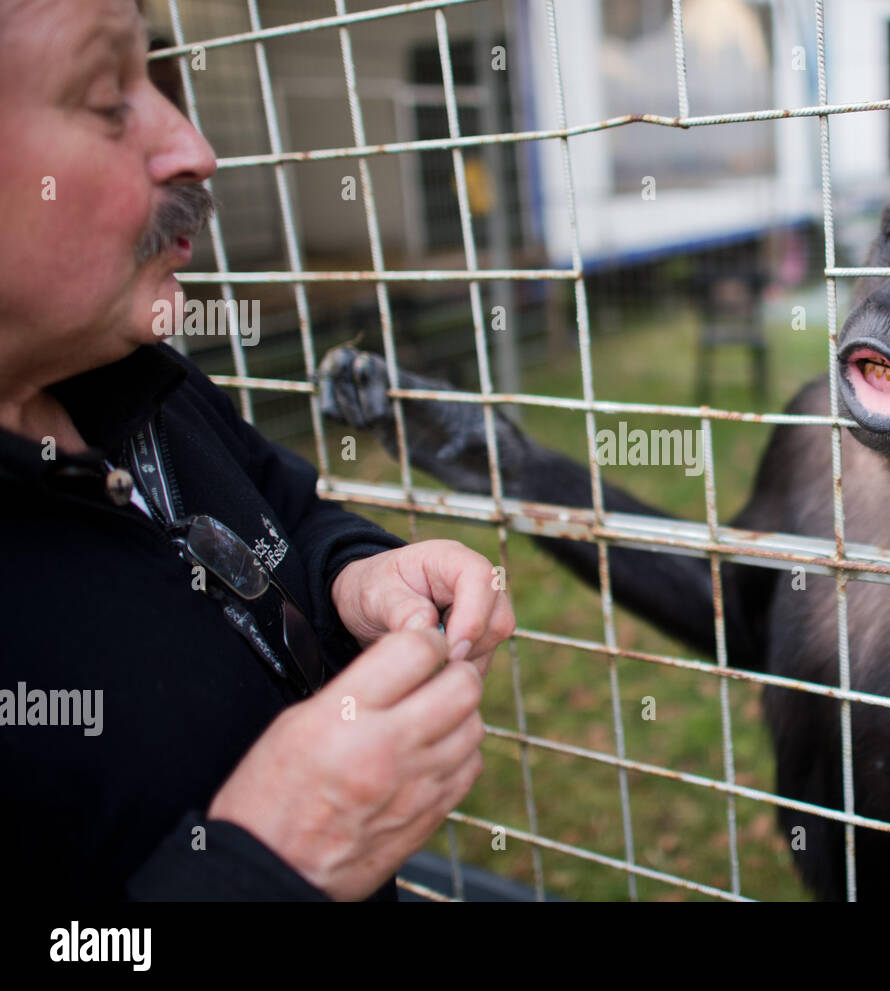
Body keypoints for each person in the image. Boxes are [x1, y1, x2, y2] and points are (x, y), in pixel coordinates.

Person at [0, 0, 514, 900]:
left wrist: (355, 579)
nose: (194, 145)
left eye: (151, 73)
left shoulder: (128, 376)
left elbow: (286, 515)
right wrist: (268, 867)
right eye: (104, 95)